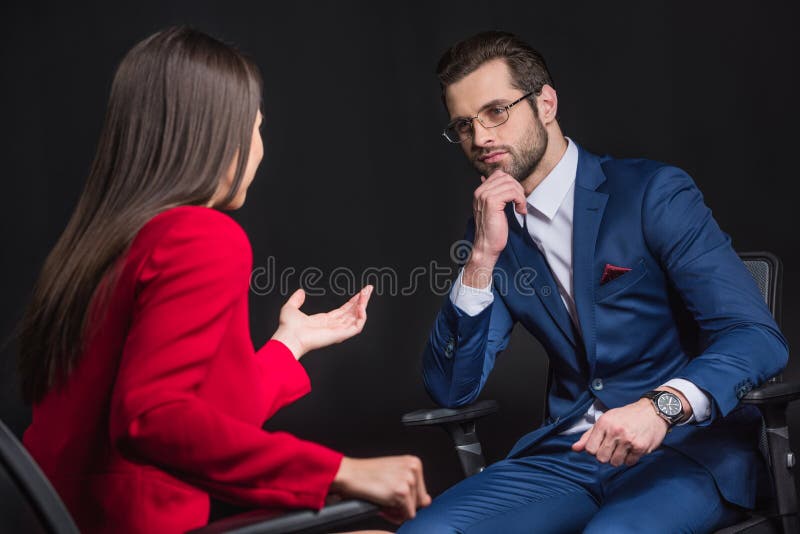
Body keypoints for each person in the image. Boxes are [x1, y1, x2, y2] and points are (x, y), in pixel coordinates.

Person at [18, 27, 429, 534]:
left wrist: (289, 344)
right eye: (257, 128)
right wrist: (342, 472)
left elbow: (191, 418)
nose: (260, 149)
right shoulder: (200, 235)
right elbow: (153, 418)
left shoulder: (95, 249)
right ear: (218, 133)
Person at [399, 31, 788, 533]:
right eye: (464, 125)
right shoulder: (494, 232)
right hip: (568, 458)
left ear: (545, 103)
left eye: (497, 111)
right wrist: (480, 256)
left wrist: (661, 407)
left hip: (684, 451)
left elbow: (758, 337)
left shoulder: (651, 193)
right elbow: (451, 388)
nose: (481, 137)